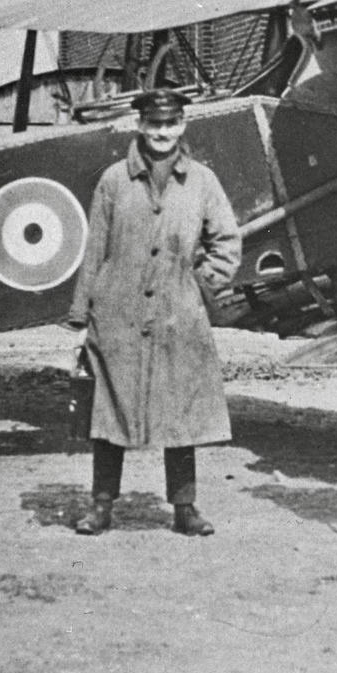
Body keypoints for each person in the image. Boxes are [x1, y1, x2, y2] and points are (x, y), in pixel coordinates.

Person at [66, 88, 242, 537]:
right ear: (139, 126)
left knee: (179, 412)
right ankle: (102, 505)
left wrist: (198, 286)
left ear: (183, 126)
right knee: (110, 411)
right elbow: (94, 250)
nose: (162, 133)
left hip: (178, 313)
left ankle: (185, 509)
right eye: (154, 124)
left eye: (171, 124)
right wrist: (81, 316)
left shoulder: (203, 180)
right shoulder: (112, 180)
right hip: (117, 312)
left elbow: (227, 241)